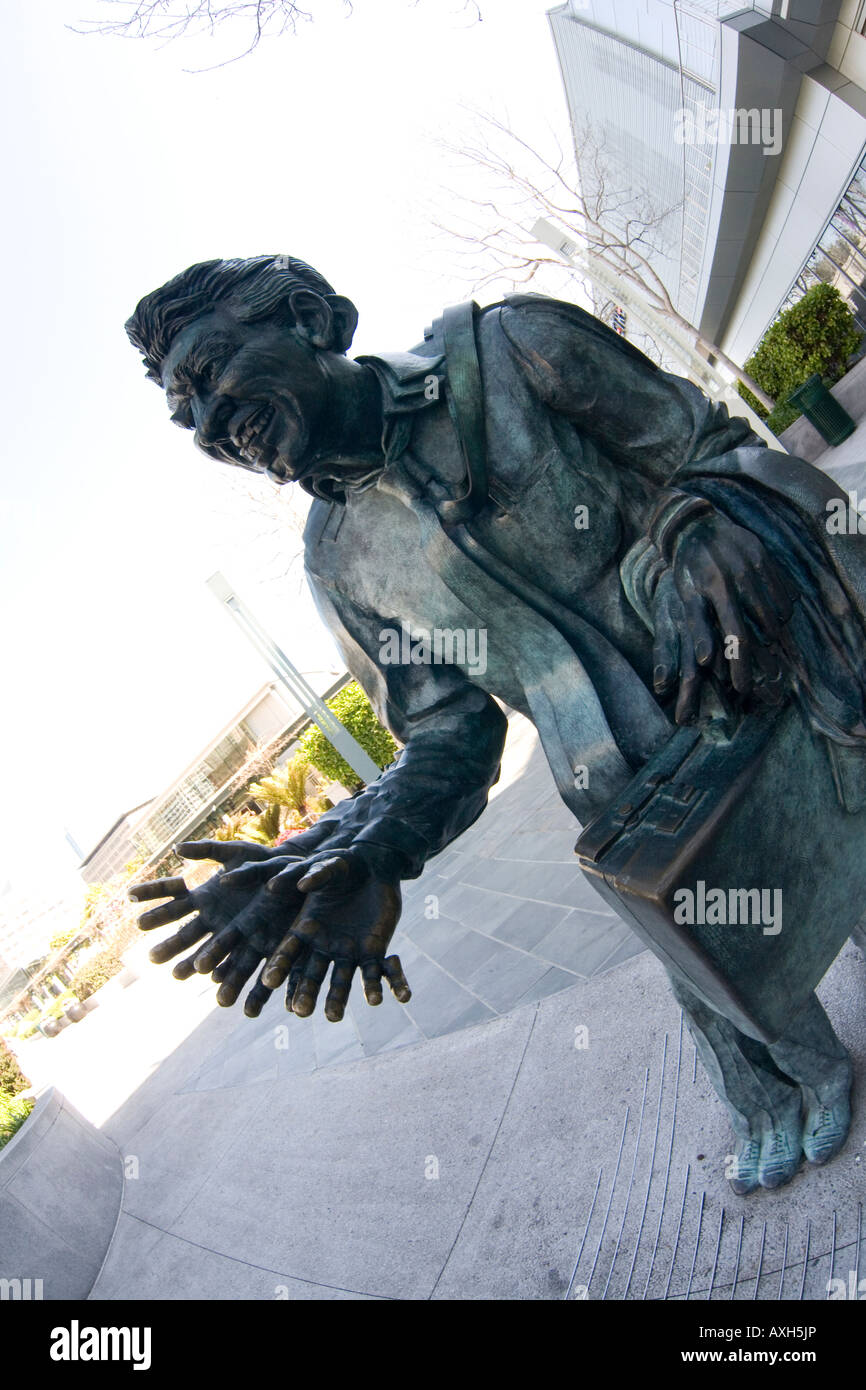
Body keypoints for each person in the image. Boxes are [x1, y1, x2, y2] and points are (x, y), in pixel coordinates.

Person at [126, 255, 865, 1194]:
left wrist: (691, 530)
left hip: (756, 669)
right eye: (183, 414)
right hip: (629, 795)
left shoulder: (512, 347)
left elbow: (704, 442)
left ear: (311, 320)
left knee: (843, 856)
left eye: (204, 376)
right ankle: (798, 1066)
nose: (203, 426)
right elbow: (448, 737)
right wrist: (364, 852)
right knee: (723, 956)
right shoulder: (339, 564)